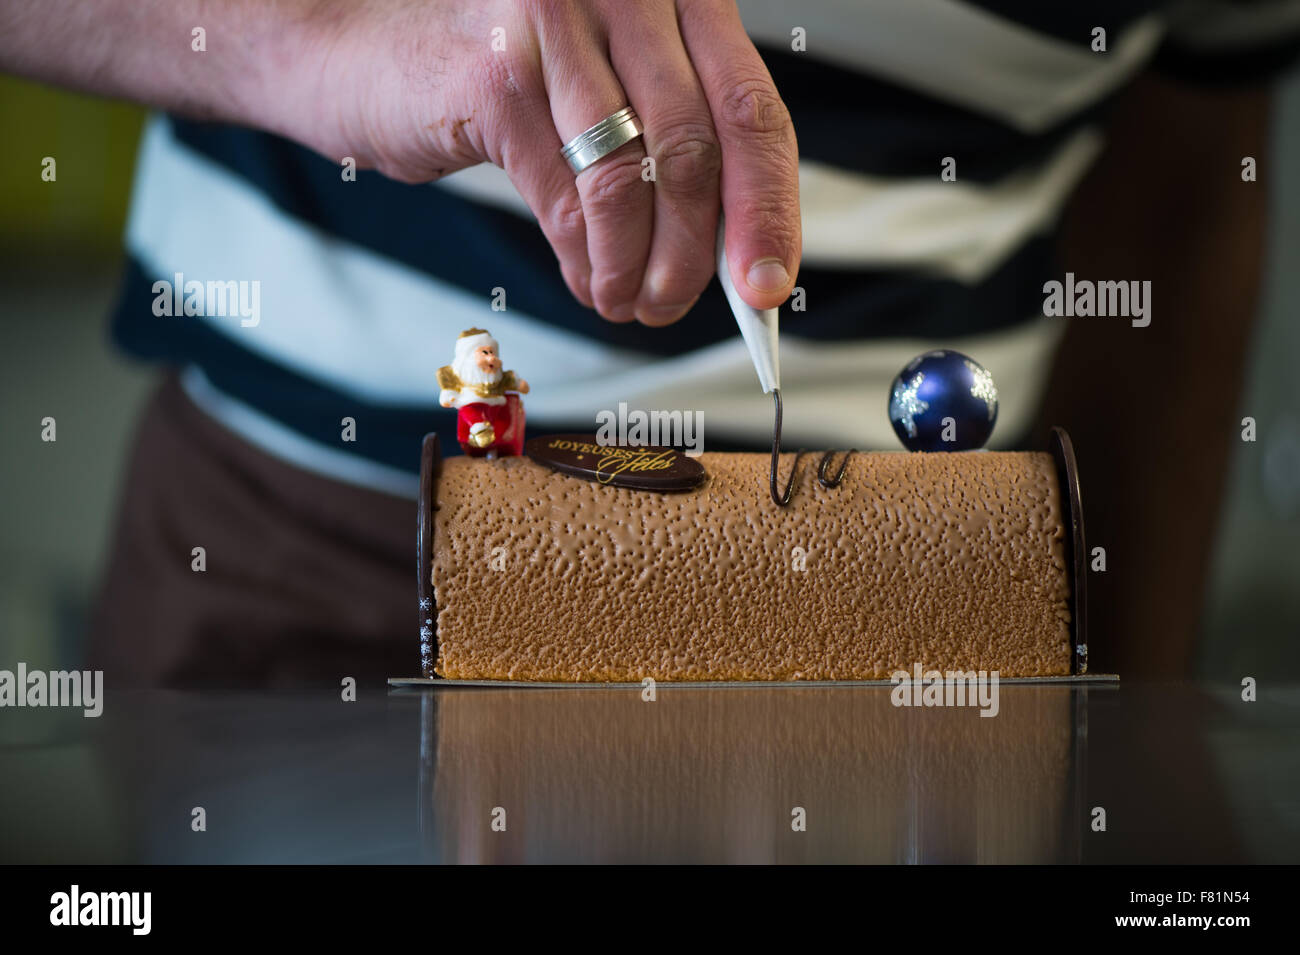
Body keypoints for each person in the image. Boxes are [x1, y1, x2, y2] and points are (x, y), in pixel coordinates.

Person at [1, 1, 1297, 686]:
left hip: (926, 612)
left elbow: (1186, 169)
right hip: (309, 567)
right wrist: (304, 34)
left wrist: (1132, 718)